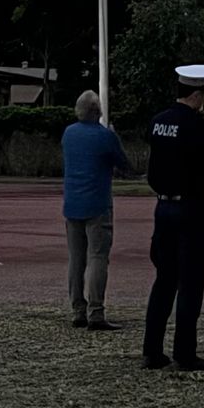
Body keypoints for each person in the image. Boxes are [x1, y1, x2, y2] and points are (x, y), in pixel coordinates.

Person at [142, 62, 204, 371]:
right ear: (197, 95)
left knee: (164, 281)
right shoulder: (195, 126)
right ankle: (185, 352)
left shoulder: (158, 122)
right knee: (192, 283)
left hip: (163, 208)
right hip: (190, 209)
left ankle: (152, 350)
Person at [60, 89, 131, 330]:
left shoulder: (68, 134)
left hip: (72, 204)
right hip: (97, 204)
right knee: (98, 257)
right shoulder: (104, 136)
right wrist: (113, 136)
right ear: (97, 112)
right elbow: (124, 164)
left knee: (76, 259)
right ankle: (96, 312)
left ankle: (77, 309)